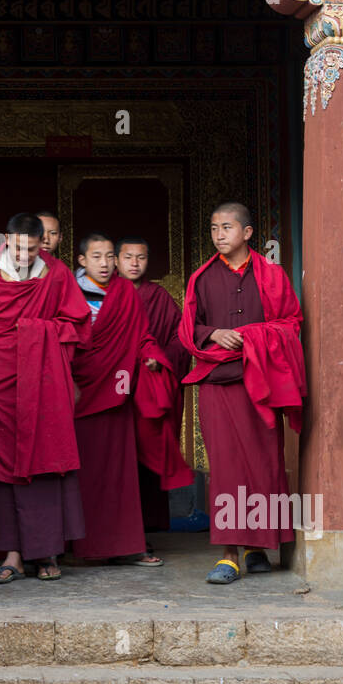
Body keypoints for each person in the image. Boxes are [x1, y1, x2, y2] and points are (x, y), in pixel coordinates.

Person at [178, 203, 306, 586]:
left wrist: (252, 336)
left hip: (260, 382)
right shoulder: (201, 278)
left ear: (247, 233)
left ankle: (257, 547)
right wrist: (214, 334)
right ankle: (229, 553)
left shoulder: (271, 276)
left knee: (263, 463)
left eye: (227, 227)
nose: (219, 234)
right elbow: (189, 328)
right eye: (214, 227)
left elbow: (290, 323)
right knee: (227, 467)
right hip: (218, 382)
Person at [0, 213, 91, 584]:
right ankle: (12, 555)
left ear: (43, 244)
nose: (24, 255)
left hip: (42, 379)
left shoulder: (56, 274)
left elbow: (77, 324)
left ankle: (47, 552)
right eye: (17, 247)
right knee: (4, 465)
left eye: (32, 248)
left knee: (45, 460)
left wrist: (35, 331)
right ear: (6, 239)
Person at [72, 234, 191, 566]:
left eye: (110, 257)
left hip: (119, 395)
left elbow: (143, 336)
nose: (106, 263)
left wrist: (154, 356)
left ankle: (127, 544)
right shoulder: (68, 291)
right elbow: (60, 336)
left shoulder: (125, 293)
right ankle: (78, 546)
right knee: (83, 473)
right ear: (82, 260)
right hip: (81, 394)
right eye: (98, 256)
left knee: (120, 475)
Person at [116, 236, 191, 535]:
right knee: (118, 454)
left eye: (141, 257)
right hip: (116, 387)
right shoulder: (104, 294)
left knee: (149, 451)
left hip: (149, 384)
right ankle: (119, 528)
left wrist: (160, 359)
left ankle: (148, 525)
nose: (134, 263)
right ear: (116, 260)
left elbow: (180, 339)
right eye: (128, 257)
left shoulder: (158, 296)